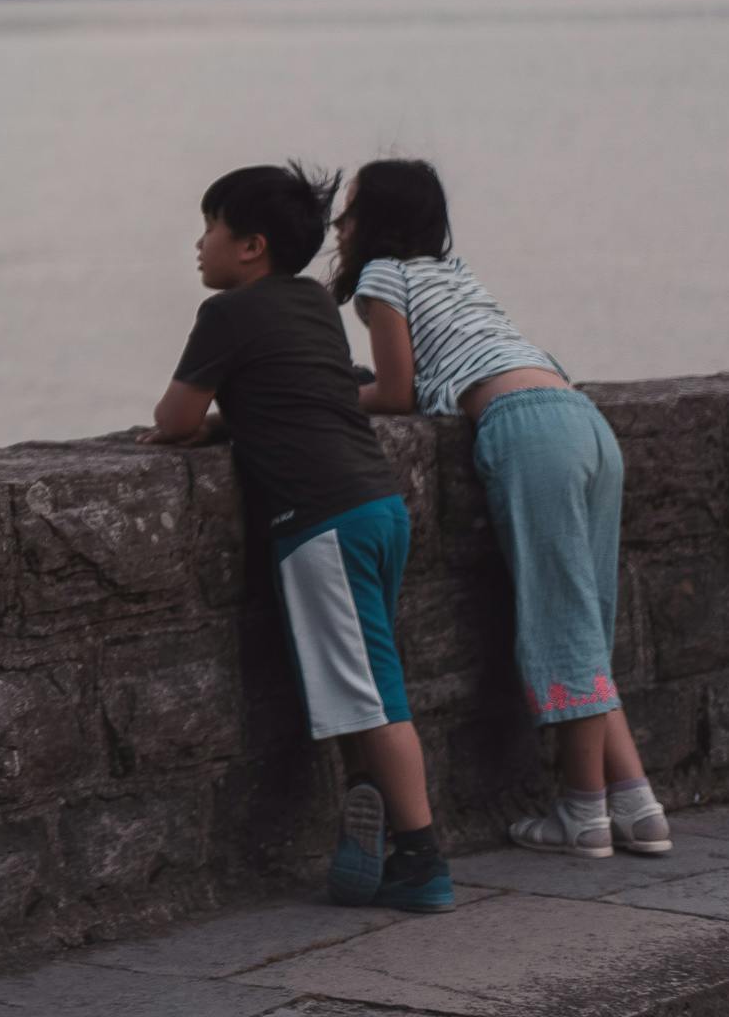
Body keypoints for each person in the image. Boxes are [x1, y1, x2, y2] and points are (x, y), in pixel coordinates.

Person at [336, 157, 670, 859]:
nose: (340, 222)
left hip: (523, 425)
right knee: (587, 612)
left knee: (560, 615)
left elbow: (395, 393)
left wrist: (327, 394)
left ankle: (583, 812)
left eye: (351, 209)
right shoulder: (455, 274)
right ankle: (637, 805)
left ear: (378, 222)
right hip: (582, 419)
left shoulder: (382, 276)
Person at [142, 162, 454, 912]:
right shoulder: (315, 301)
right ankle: (370, 805)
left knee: (375, 695)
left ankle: (421, 860)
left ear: (249, 246)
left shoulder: (225, 317)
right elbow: (305, 391)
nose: (198, 243)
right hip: (376, 503)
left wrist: (213, 425)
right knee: (365, 683)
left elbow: (173, 422)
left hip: (320, 519)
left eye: (210, 227)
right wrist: (240, 421)